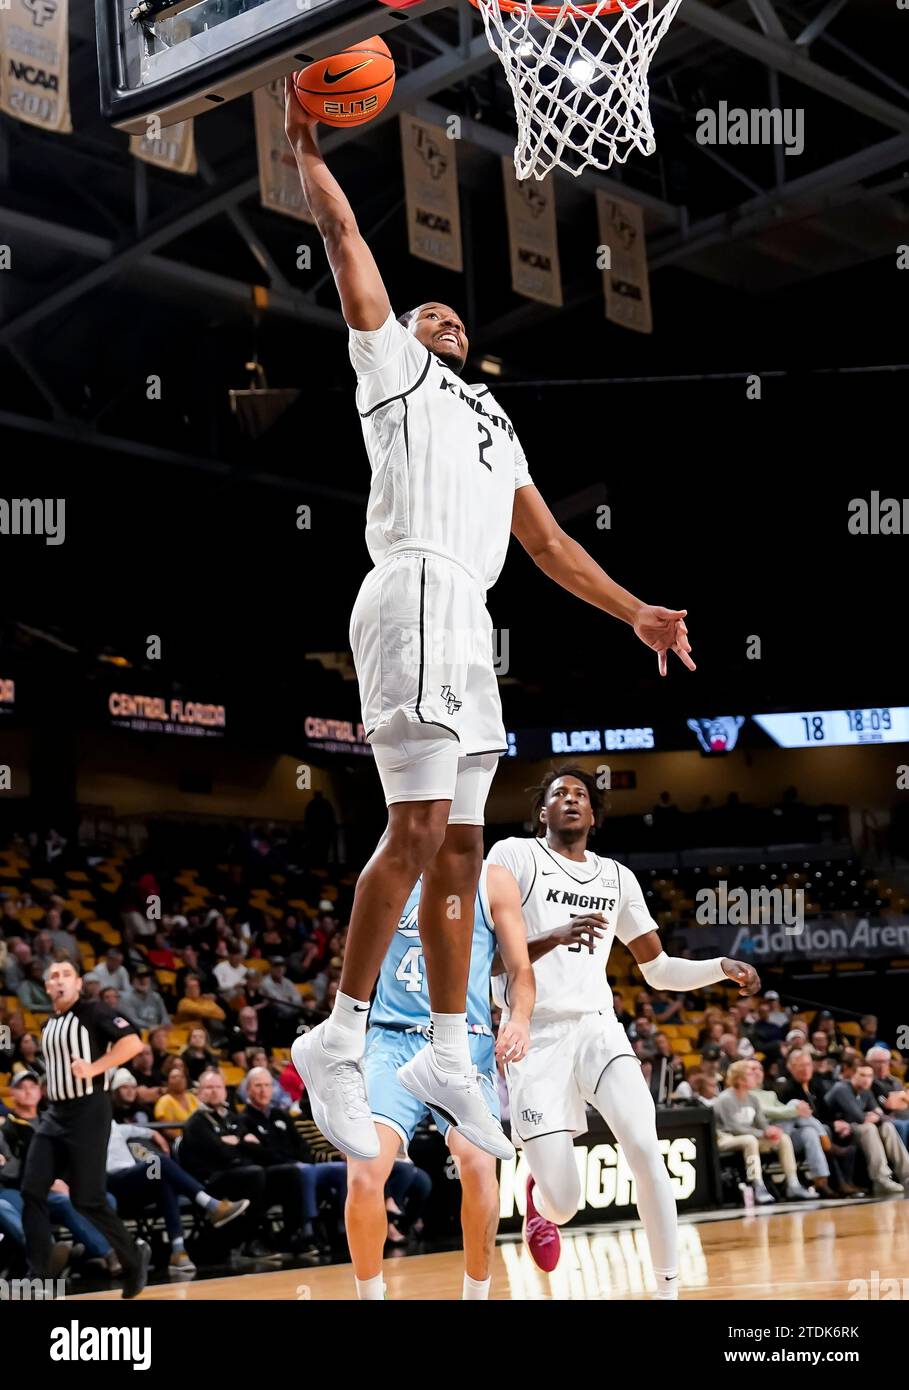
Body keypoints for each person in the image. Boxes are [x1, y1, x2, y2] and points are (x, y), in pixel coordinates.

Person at [283, 88, 695, 1164]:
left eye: (456, 317)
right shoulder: (393, 368)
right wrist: (304, 151)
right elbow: (342, 236)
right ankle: (339, 1031)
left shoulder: (495, 418)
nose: (448, 319)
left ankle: (451, 1049)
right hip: (412, 589)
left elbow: (552, 549)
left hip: (467, 612)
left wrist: (637, 611)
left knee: (462, 848)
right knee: (416, 832)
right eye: (432, 314)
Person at [485, 767, 759, 1297]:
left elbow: (656, 970)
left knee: (644, 1147)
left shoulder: (616, 878)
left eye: (581, 795)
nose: (570, 799)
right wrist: (554, 936)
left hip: (597, 1029)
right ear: (542, 812)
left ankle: (667, 1287)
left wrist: (718, 966)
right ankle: (539, 1199)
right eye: (558, 794)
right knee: (563, 1202)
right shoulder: (512, 857)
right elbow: (491, 962)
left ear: (593, 815)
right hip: (533, 1036)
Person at [346, 862, 534, 1301]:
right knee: (363, 1175)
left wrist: (519, 1018)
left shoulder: (491, 878)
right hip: (392, 1038)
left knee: (478, 1162)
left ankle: (476, 1295)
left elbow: (520, 967)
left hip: (465, 1039)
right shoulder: (389, 867)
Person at [20, 960, 151, 1295]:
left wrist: (94, 1068)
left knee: (88, 1200)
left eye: (66, 975)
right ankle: (38, 1275)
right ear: (47, 987)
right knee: (32, 1190)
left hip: (89, 1112)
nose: (59, 981)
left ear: (78, 983)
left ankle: (133, 1257)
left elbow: (133, 1043)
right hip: (54, 1115)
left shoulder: (92, 1011)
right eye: (53, 977)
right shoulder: (49, 1024)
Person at [0, 1072, 115, 1274]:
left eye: (32, 1086)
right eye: (21, 1087)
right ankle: (54, 1255)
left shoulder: (53, 1121)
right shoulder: (7, 1126)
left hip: (54, 1188)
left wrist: (67, 1181)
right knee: (40, 1205)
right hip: (17, 1189)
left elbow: (72, 1157)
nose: (28, 1091)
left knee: (104, 1199)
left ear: (40, 1091)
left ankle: (93, 1257)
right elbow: (9, 1167)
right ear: (12, 1093)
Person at [105, 1114, 249, 1275]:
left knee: (164, 1182)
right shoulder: (82, 1129)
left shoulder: (114, 1126)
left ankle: (178, 1251)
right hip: (111, 1182)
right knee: (160, 1162)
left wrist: (156, 1135)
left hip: (132, 1179)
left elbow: (139, 1131)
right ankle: (211, 1205)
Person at [238, 1067, 346, 1257]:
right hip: (273, 1174)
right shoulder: (243, 1120)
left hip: (299, 1167)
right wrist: (292, 1160)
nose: (263, 1090)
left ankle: (344, 1228)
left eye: (267, 1085)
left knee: (342, 1169)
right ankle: (307, 1232)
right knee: (302, 1171)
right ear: (248, 1090)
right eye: (258, 1086)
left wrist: (299, 1160)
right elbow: (260, 1154)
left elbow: (302, 1146)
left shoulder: (281, 1115)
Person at [178, 1069, 273, 1260]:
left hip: (237, 1171)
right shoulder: (195, 1123)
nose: (214, 1091)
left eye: (218, 1087)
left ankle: (289, 1236)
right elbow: (221, 1154)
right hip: (210, 1179)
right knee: (255, 1174)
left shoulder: (231, 1116)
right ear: (199, 1092)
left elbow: (260, 1150)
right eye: (209, 1087)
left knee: (278, 1174)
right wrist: (241, 1143)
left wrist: (237, 1142)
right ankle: (249, 1238)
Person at [714, 1061, 815, 1205]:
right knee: (750, 1140)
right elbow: (732, 1128)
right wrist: (762, 1134)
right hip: (725, 1138)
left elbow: (761, 1122)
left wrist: (769, 1130)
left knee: (783, 1138)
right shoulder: (725, 1099)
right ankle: (757, 1185)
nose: (755, 1076)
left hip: (750, 1137)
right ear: (740, 1078)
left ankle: (793, 1184)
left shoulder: (753, 1098)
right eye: (750, 1073)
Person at [775, 1049, 864, 1196]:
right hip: (794, 1133)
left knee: (847, 1131)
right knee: (821, 1130)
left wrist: (837, 1123)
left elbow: (826, 1113)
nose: (805, 1069)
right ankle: (836, 1182)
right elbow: (791, 1119)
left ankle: (848, 1182)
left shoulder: (816, 1085)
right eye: (800, 1065)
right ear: (790, 1067)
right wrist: (828, 1126)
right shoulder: (784, 1088)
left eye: (808, 1065)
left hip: (815, 1128)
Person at [824, 1061, 909, 1196]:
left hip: (853, 1127)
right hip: (836, 1131)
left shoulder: (866, 1092)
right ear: (853, 1075)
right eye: (862, 1075)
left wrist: (875, 1116)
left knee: (887, 1126)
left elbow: (883, 1117)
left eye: (869, 1076)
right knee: (869, 1127)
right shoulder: (842, 1088)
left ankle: (906, 1175)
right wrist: (872, 1116)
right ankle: (881, 1179)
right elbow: (859, 1117)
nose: (866, 1079)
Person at [866, 1046, 909, 1150]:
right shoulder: (869, 1082)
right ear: (869, 1063)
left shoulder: (896, 1081)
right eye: (877, 1062)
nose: (882, 1065)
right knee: (901, 1125)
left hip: (904, 1115)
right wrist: (902, 1098)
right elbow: (888, 1104)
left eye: (885, 1061)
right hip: (887, 1118)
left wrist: (900, 1099)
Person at [153, 1058, 201, 1140]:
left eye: (182, 1077)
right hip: (179, 1142)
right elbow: (167, 1130)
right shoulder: (164, 1101)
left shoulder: (192, 1097)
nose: (179, 1079)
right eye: (174, 1077)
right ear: (168, 1082)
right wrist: (186, 1140)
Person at [120, 965, 170, 1031]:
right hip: (139, 1032)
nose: (143, 980)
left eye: (146, 977)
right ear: (132, 980)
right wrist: (152, 1027)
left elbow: (165, 1016)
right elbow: (133, 1021)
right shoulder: (126, 998)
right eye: (139, 977)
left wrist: (165, 1025)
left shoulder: (156, 996)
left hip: (158, 1031)